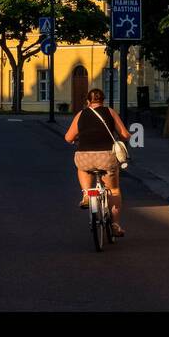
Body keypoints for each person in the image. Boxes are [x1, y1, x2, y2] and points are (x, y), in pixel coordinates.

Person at [63, 88, 132, 237]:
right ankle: (114, 224)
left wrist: (78, 139)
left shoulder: (81, 114)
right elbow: (125, 134)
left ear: (88, 101)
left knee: (82, 167)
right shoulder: (110, 112)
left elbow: (68, 138)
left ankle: (87, 194)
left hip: (85, 156)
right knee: (113, 190)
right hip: (106, 157)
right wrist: (128, 136)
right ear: (103, 100)